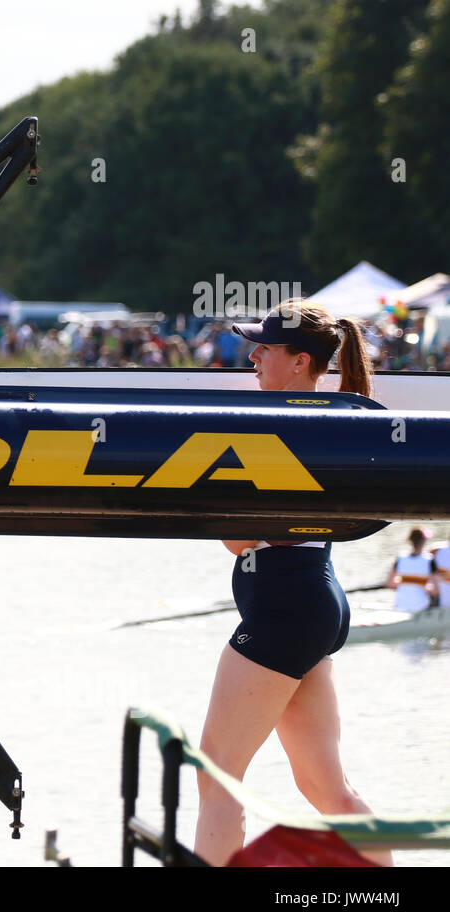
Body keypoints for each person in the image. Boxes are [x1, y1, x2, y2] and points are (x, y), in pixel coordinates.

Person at [195, 299, 393, 866]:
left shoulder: (286, 425)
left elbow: (237, 539)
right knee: (326, 789)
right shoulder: (326, 417)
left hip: (285, 608)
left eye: (265, 348)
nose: (253, 356)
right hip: (310, 603)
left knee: (217, 774)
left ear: (301, 362)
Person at [385, 527, 436, 612]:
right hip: (421, 608)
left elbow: (390, 584)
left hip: (400, 606)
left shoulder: (401, 558)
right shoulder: (429, 560)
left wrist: (406, 585)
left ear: (410, 540)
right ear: (424, 541)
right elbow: (435, 591)